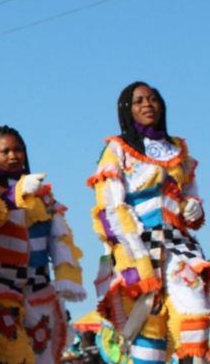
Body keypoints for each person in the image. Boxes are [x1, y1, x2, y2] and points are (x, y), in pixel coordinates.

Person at [88, 81, 208, 364]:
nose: (147, 105)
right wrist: (133, 254)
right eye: (139, 100)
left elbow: (192, 196)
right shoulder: (117, 149)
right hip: (138, 248)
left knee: (197, 315)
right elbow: (110, 205)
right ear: (127, 109)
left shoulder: (179, 150)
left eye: (153, 99)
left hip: (181, 249)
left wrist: (193, 209)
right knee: (148, 331)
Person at [0, 125, 85, 364]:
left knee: (41, 354)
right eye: (5, 151)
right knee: (6, 353)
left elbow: (59, 239)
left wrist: (66, 278)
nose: (13, 156)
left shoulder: (43, 196)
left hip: (39, 286)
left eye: (18, 150)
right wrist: (15, 194)